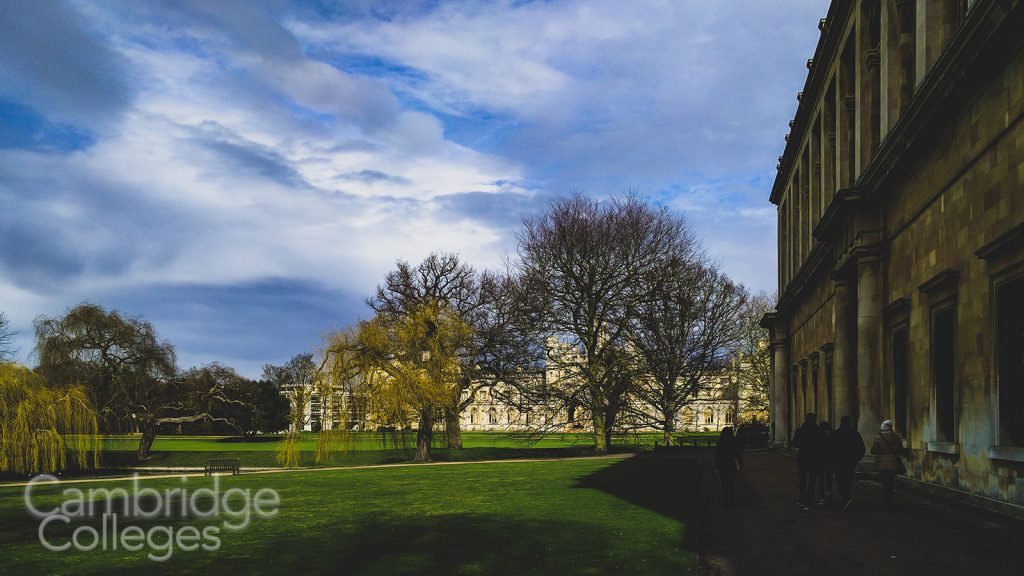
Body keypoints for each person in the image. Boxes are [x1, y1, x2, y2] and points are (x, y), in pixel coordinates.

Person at [831, 415, 866, 511]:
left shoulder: (835, 434)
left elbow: (830, 449)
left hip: (838, 461)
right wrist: (856, 459)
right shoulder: (855, 434)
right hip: (850, 461)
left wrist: (832, 460)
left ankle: (845, 498)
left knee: (840, 480)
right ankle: (847, 498)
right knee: (848, 480)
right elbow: (862, 449)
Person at [790, 412, 824, 509]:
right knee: (812, 480)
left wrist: (803, 444)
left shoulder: (801, 430)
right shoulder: (818, 431)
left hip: (803, 457)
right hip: (815, 458)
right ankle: (809, 501)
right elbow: (822, 444)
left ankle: (802, 499)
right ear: (815, 419)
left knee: (803, 479)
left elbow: (794, 443)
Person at [871, 419, 908, 505]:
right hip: (893, 463)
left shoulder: (878, 437)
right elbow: (900, 450)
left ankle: (886, 499)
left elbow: (873, 451)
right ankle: (889, 499)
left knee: (885, 482)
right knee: (890, 482)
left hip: (882, 463)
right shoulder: (896, 437)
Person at [715, 426, 744, 507]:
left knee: (724, 484)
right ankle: (731, 501)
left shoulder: (720, 443)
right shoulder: (733, 442)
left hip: (722, 466)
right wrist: (741, 464)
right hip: (731, 466)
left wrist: (717, 467)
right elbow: (738, 455)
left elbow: (717, 457)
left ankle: (725, 500)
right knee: (730, 484)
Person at [817, 420, 835, 504]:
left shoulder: (818, 435)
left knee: (821, 477)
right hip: (830, 458)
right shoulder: (832, 435)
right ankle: (829, 491)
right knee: (829, 475)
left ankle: (821, 495)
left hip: (820, 458)